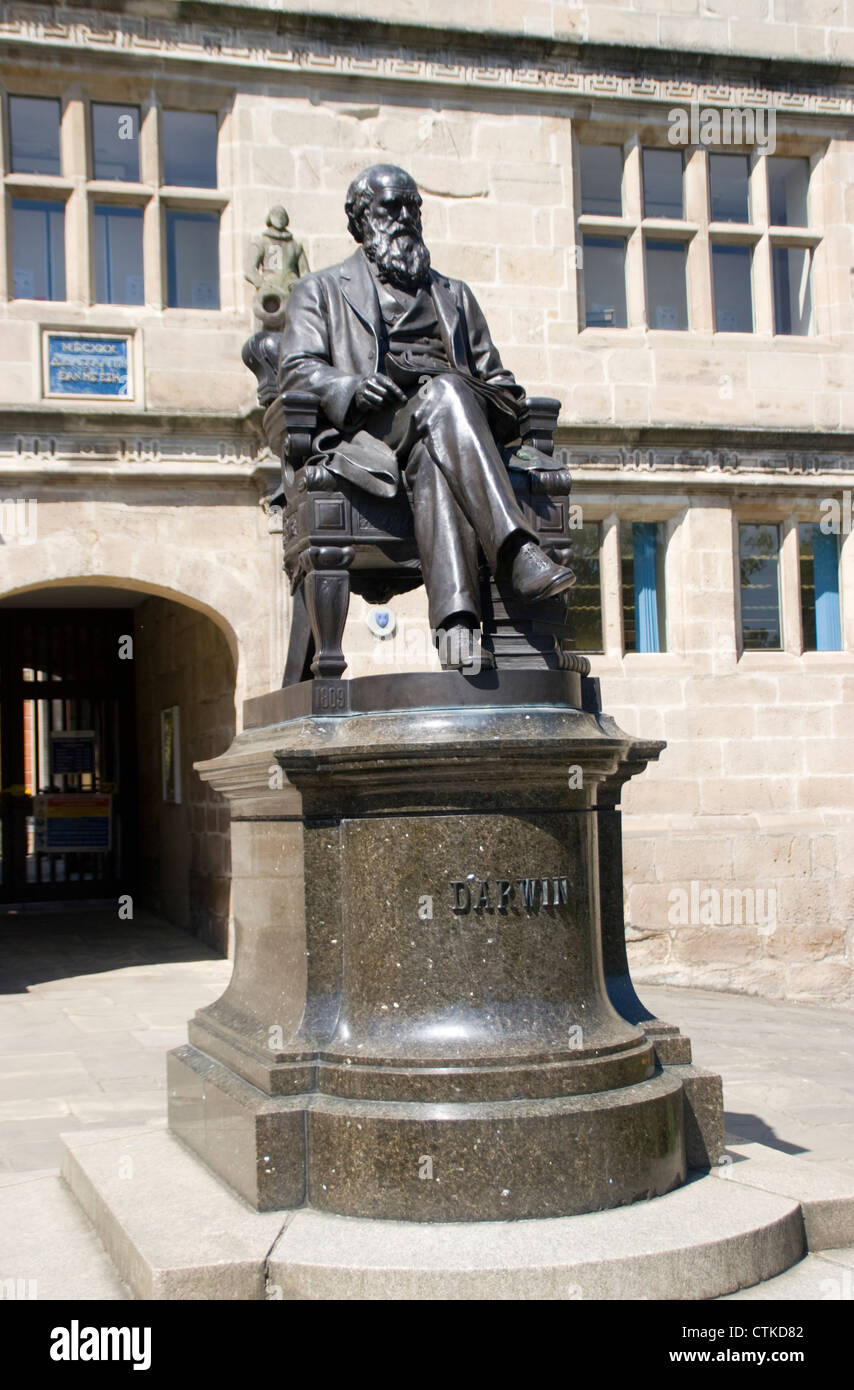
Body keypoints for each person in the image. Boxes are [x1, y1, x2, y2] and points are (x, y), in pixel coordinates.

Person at [278, 164, 574, 669]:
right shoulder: (321, 290)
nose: (404, 217)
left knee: (443, 419)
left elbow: (498, 378)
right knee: (446, 397)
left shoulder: (455, 295)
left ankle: (456, 625)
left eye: (413, 207)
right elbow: (297, 371)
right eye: (390, 208)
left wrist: (491, 398)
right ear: (360, 220)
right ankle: (516, 552)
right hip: (371, 432)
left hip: (445, 433)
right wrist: (349, 386)